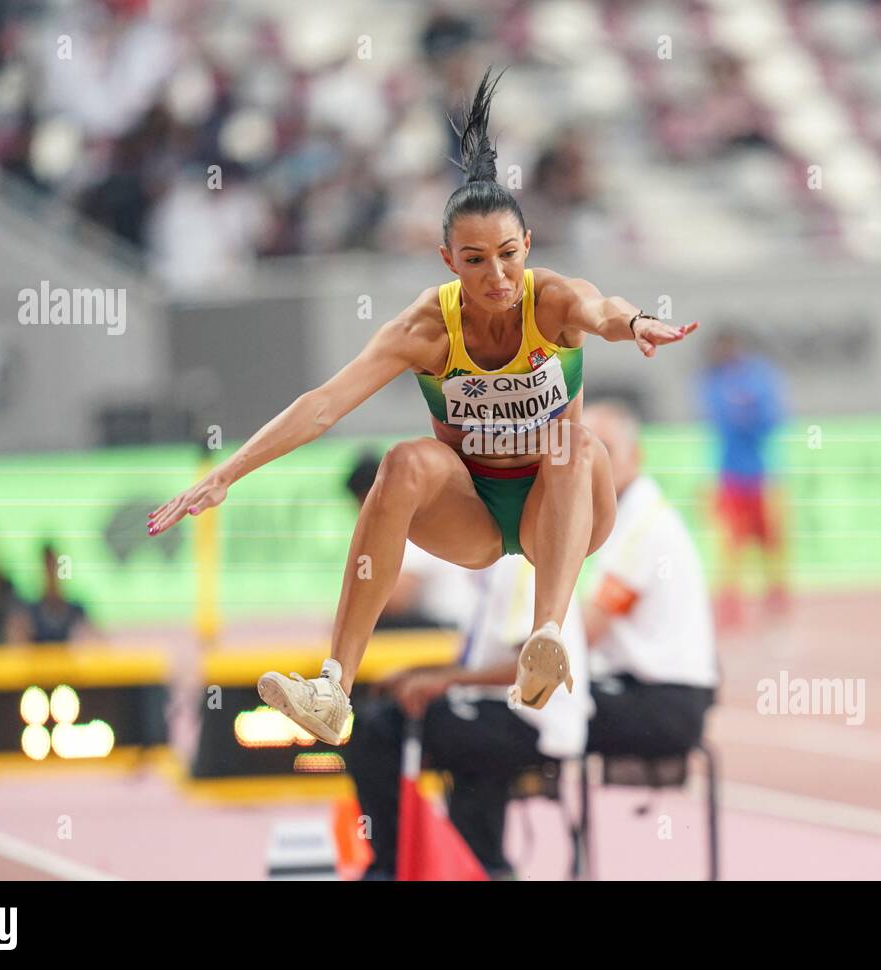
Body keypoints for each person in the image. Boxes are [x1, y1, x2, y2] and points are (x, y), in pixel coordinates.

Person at [147, 67, 698, 745]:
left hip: (562, 508)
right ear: (447, 260)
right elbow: (322, 406)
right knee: (404, 461)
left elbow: (603, 309)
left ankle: (546, 635)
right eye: (474, 260)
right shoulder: (425, 330)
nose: (495, 277)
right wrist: (225, 474)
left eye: (506, 256)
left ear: (526, 247)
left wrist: (635, 321)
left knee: (575, 443)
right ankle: (332, 688)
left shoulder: (552, 300)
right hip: (474, 516)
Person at [344, 552, 593, 879]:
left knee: (383, 726)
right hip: (506, 711)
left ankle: (394, 864)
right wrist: (416, 674)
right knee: (402, 719)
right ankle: (478, 861)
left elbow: (534, 667)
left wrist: (444, 680)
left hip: (538, 722)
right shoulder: (490, 572)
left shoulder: (521, 567)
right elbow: (478, 666)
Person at [577, 402, 719, 755]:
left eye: (605, 450)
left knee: (526, 707)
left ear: (636, 456)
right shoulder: (628, 516)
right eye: (583, 450)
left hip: (661, 703)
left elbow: (589, 630)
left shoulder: (641, 527)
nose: (593, 462)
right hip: (651, 692)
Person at [697, 327, 788, 627]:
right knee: (731, 544)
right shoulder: (713, 382)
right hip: (729, 477)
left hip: (762, 475)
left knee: (771, 541)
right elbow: (722, 418)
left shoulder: (760, 376)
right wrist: (743, 410)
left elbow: (772, 417)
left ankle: (775, 597)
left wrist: (746, 412)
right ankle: (731, 605)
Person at [344, 450, 476, 630]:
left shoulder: (411, 526)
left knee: (366, 624)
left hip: (449, 626)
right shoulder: (425, 515)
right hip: (449, 621)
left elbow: (394, 600)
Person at [25, 542, 99, 643]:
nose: (52, 573)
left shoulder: (77, 611)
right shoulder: (30, 614)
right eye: (48, 567)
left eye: (55, 567)